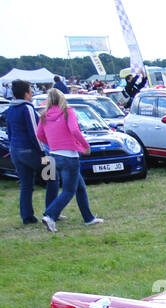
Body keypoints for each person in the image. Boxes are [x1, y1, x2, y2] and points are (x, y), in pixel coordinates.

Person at [36, 89, 102, 231]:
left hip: (53, 155)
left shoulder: (44, 115)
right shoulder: (67, 111)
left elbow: (39, 134)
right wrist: (85, 146)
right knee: (69, 191)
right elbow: (74, 130)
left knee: (80, 187)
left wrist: (52, 144)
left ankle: (88, 218)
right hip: (69, 156)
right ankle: (50, 215)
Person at [6, 80, 57, 226]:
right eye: (30, 90)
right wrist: (43, 153)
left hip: (16, 151)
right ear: (26, 93)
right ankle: (51, 212)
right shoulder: (26, 108)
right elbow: (35, 134)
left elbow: (9, 132)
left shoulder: (10, 109)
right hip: (30, 151)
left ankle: (27, 217)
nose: (32, 92)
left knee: (26, 184)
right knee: (52, 177)